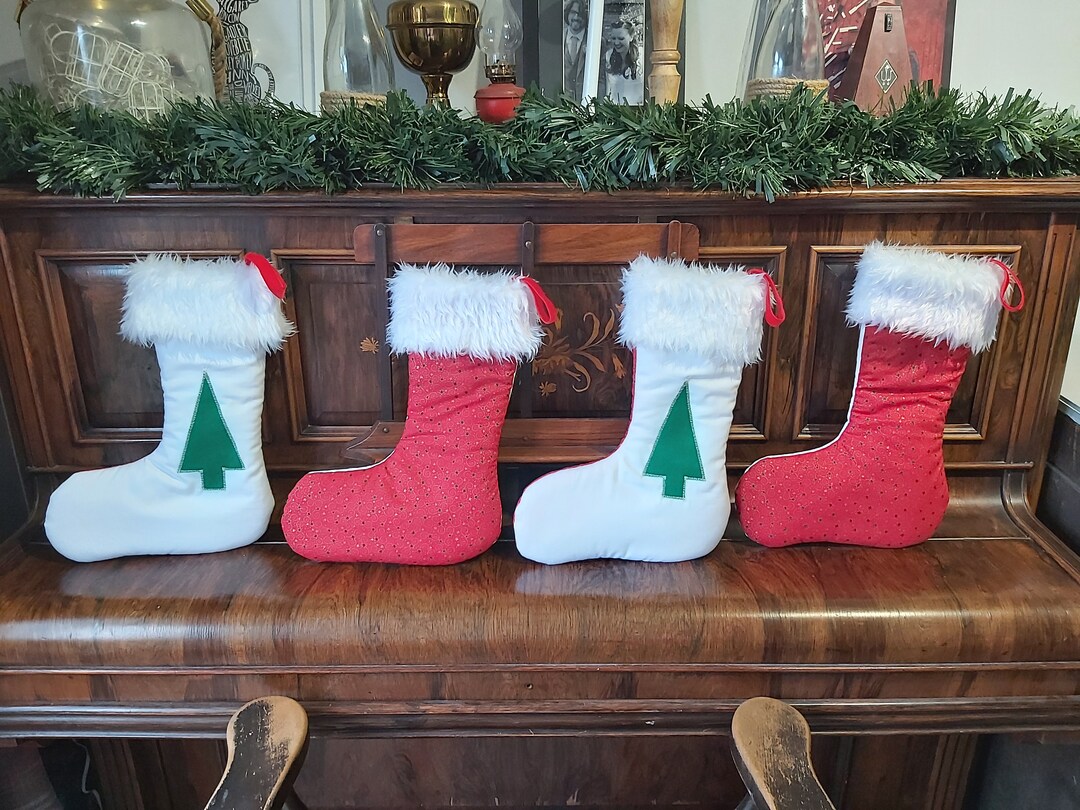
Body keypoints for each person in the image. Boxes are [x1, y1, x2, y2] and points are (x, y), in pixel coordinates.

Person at [599, 18, 644, 105]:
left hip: (637, 110)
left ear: (631, 37)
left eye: (621, 38)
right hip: (614, 109)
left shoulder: (641, 56)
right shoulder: (609, 56)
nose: (616, 42)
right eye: (613, 38)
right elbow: (608, 87)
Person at [562, 0, 588, 102]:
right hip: (561, 104)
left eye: (580, 14)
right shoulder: (558, 38)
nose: (576, 18)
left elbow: (601, 80)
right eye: (573, 12)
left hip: (585, 104)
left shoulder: (596, 42)